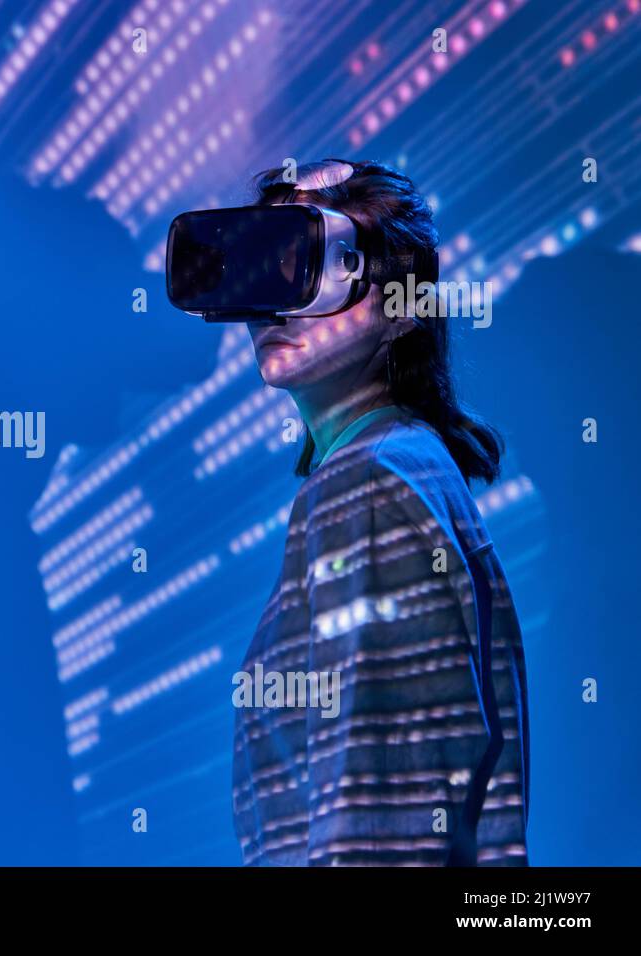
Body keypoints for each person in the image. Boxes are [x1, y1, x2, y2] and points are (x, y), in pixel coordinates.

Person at [231, 160, 530, 866]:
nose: (274, 307)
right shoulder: (399, 465)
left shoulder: (370, 482)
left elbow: (384, 818)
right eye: (264, 271)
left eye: (312, 266)